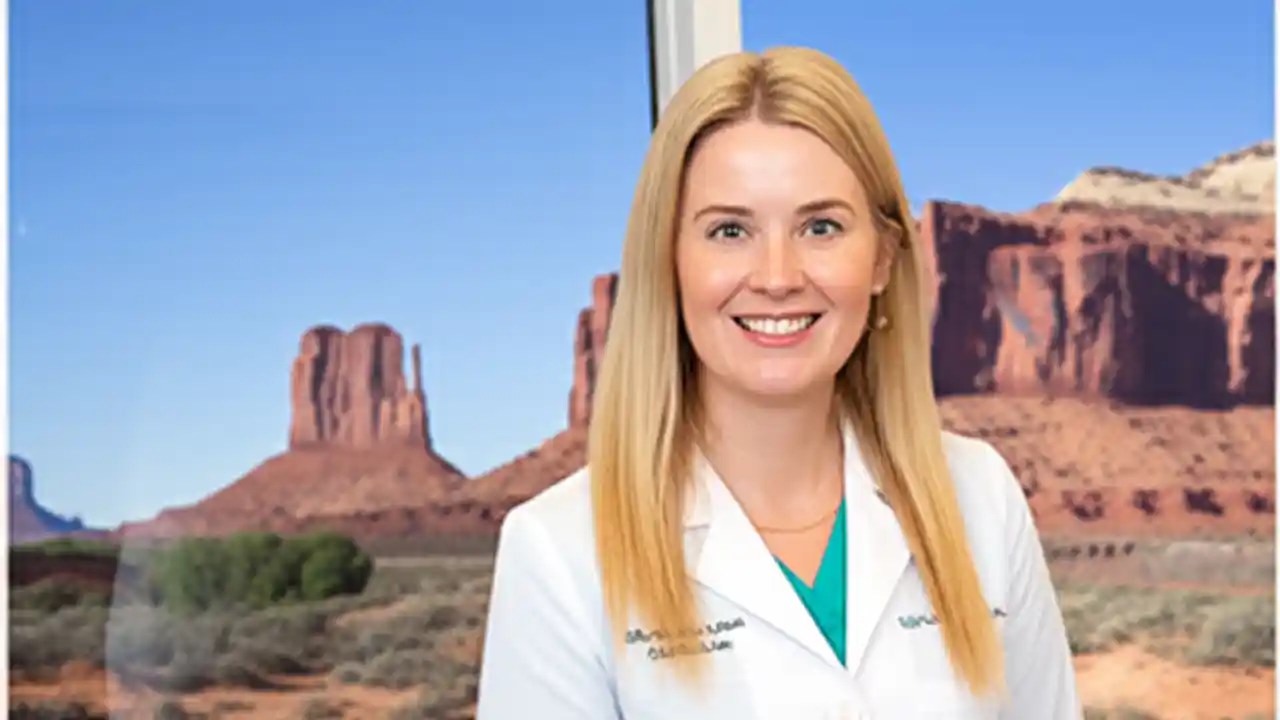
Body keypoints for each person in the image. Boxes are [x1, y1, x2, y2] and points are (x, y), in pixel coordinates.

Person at [476, 46, 1081, 719]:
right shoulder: (561, 551)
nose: (776, 275)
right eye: (729, 230)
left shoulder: (980, 497)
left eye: (820, 226)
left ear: (882, 258)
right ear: (668, 259)